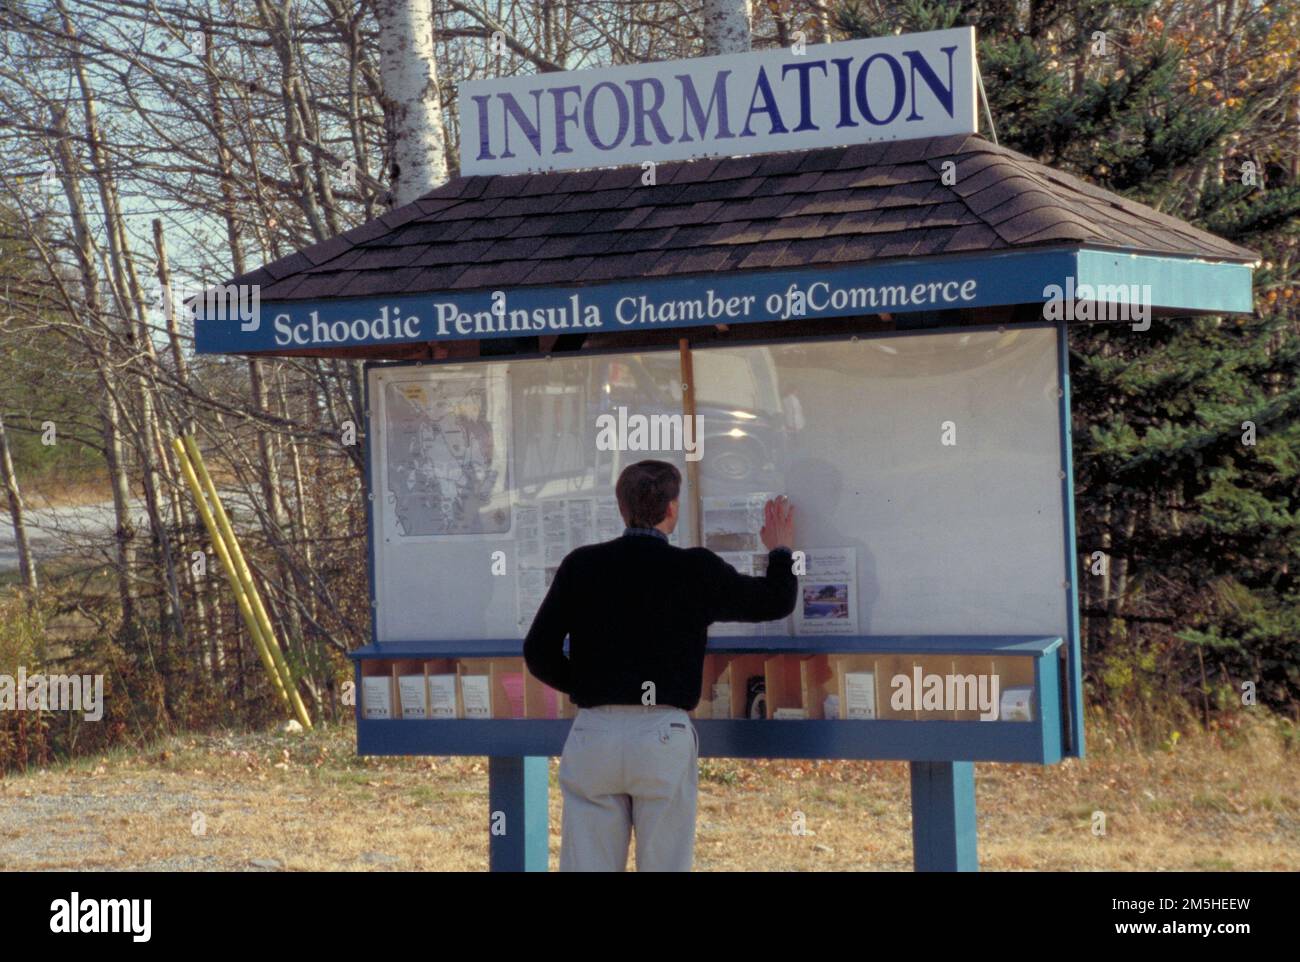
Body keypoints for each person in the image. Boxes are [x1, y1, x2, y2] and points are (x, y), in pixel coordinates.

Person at [523, 459, 797, 871]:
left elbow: (538, 651)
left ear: (621, 508)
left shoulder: (582, 565)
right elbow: (776, 601)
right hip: (662, 734)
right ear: (672, 508)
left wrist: (589, 685)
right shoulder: (695, 569)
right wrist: (780, 550)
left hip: (594, 731)